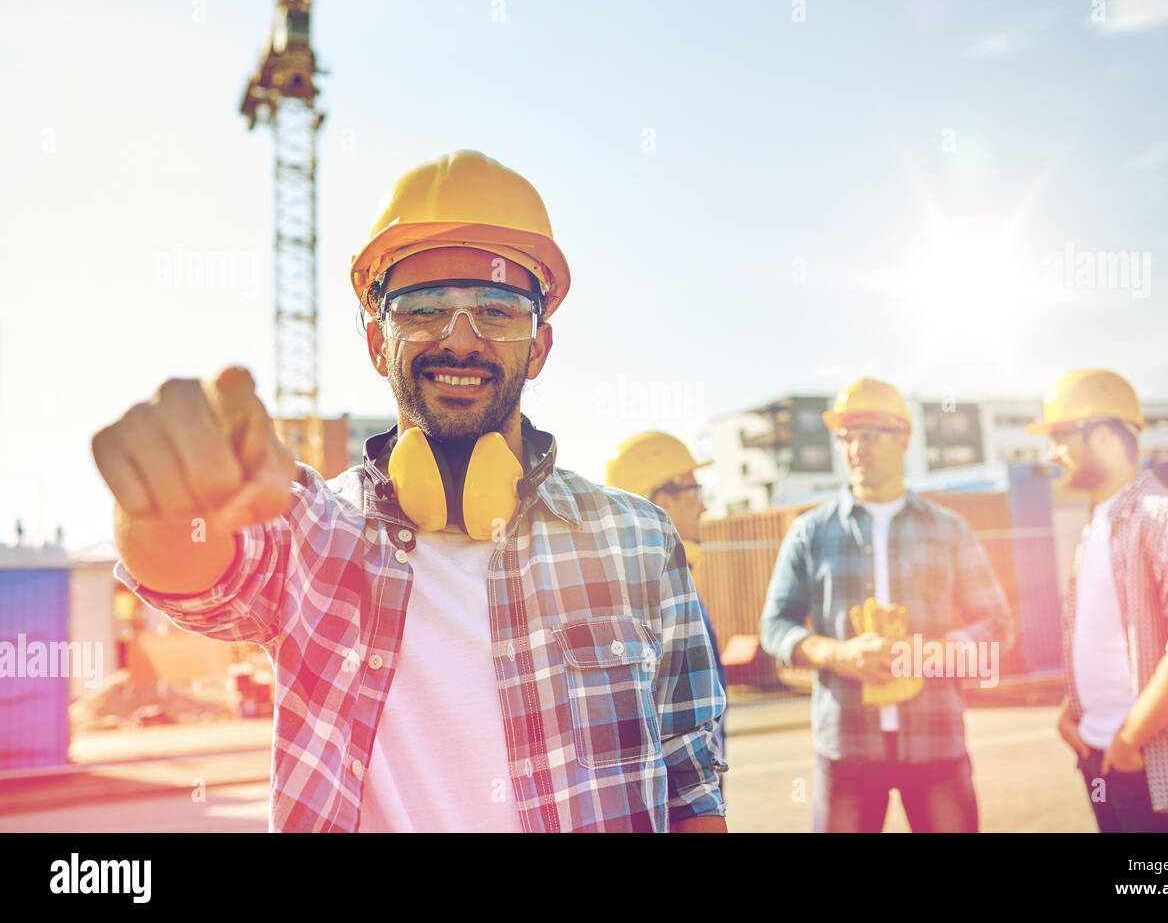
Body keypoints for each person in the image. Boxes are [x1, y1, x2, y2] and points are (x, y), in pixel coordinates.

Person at [92, 149, 727, 833]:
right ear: (375, 341)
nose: (461, 340)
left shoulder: (637, 539)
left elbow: (691, 779)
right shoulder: (313, 529)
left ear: (539, 346)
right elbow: (186, 569)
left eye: (498, 309)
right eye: (423, 309)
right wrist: (162, 500)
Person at [760, 378, 1012, 832]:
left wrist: (925, 654)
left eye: (870, 435)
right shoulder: (809, 532)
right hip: (847, 746)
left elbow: (996, 625)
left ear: (904, 439)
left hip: (936, 740)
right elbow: (775, 626)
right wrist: (840, 654)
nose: (856, 449)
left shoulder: (949, 529)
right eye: (846, 437)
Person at [1028, 368, 1168, 832]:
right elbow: (1108, 636)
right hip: (1100, 756)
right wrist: (1072, 710)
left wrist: (1130, 740)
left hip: (1149, 764)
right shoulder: (1096, 524)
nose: (1052, 453)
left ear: (1102, 436)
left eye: (1059, 436)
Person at [606, 431, 726, 750]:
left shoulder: (650, 581)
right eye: (694, 489)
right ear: (662, 502)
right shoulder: (652, 595)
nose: (702, 507)